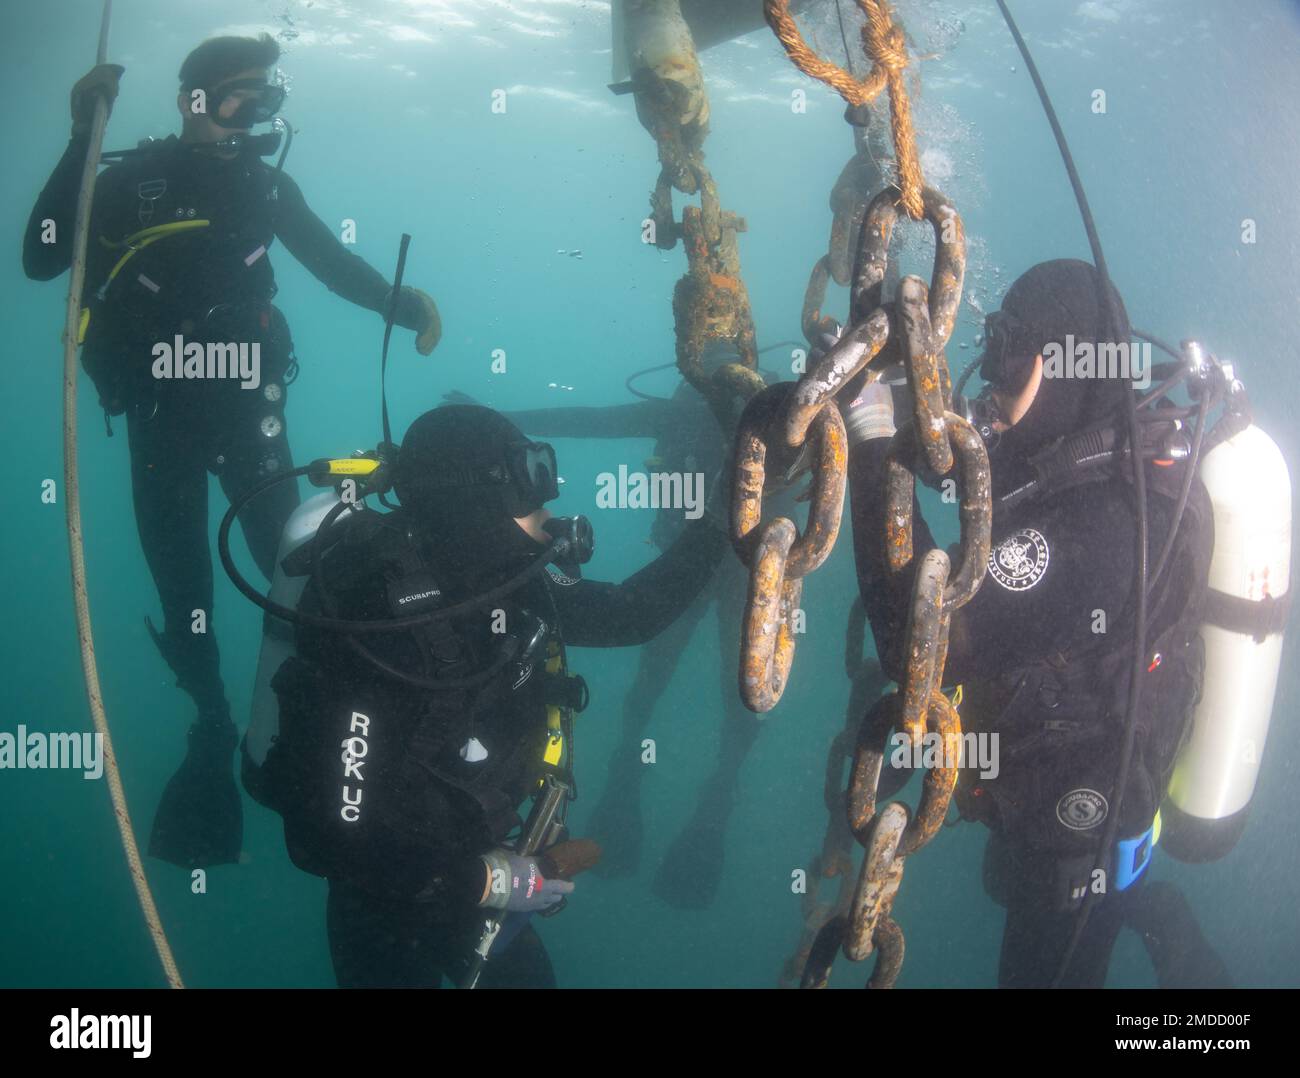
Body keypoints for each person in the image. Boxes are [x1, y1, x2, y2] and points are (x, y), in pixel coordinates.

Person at [22, 35, 442, 869]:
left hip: (249, 412)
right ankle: (211, 721)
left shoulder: (263, 183)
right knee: (188, 596)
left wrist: (401, 303)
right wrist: (80, 139)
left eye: (268, 101)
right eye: (238, 101)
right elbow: (41, 257)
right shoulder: (124, 182)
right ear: (193, 100)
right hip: (158, 420)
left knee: (296, 578)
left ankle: (311, 722)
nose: (256, 117)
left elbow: (329, 262)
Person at [245, 404, 733, 987]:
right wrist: (495, 882)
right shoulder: (380, 625)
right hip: (384, 906)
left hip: (482, 869)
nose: (549, 506)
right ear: (472, 499)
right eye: (531, 480)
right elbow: (338, 841)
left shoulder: (509, 577)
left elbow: (630, 615)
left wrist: (729, 512)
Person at [842, 259, 1232, 988]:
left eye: (1009, 348)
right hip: (1035, 781)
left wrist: (869, 437)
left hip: (1080, 840)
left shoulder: (1113, 524)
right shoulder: (1074, 441)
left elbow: (926, 643)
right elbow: (968, 468)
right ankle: (1150, 908)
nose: (989, 373)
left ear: (1057, 364)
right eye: (992, 341)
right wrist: (898, 390)